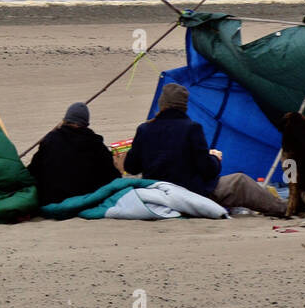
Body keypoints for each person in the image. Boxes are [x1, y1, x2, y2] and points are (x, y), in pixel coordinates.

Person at [123, 83, 288, 216]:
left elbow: (131, 167)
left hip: (156, 192)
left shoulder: (144, 129)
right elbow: (208, 171)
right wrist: (215, 158)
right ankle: (283, 208)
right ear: (184, 106)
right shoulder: (191, 128)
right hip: (191, 193)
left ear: (162, 105)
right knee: (240, 181)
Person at [28, 102, 119, 206]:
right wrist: (117, 166)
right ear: (86, 124)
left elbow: (33, 170)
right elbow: (111, 176)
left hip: (52, 198)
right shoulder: (95, 143)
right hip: (85, 197)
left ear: (65, 120)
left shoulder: (50, 139)